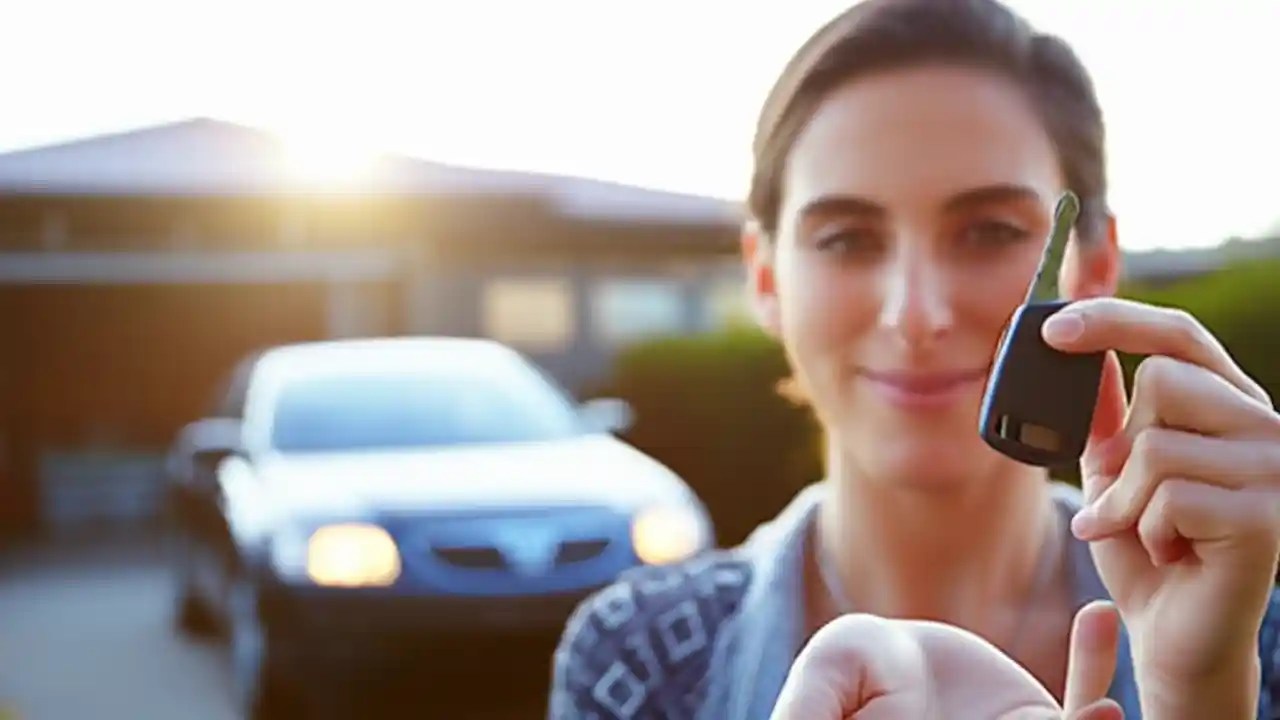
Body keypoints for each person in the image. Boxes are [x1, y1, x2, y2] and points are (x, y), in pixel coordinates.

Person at [547, 0, 1280, 718]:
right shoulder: (640, 662)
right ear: (765, 278)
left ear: (1095, 265)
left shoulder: (1247, 630)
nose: (916, 314)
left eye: (990, 230)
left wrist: (1203, 700)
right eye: (845, 238)